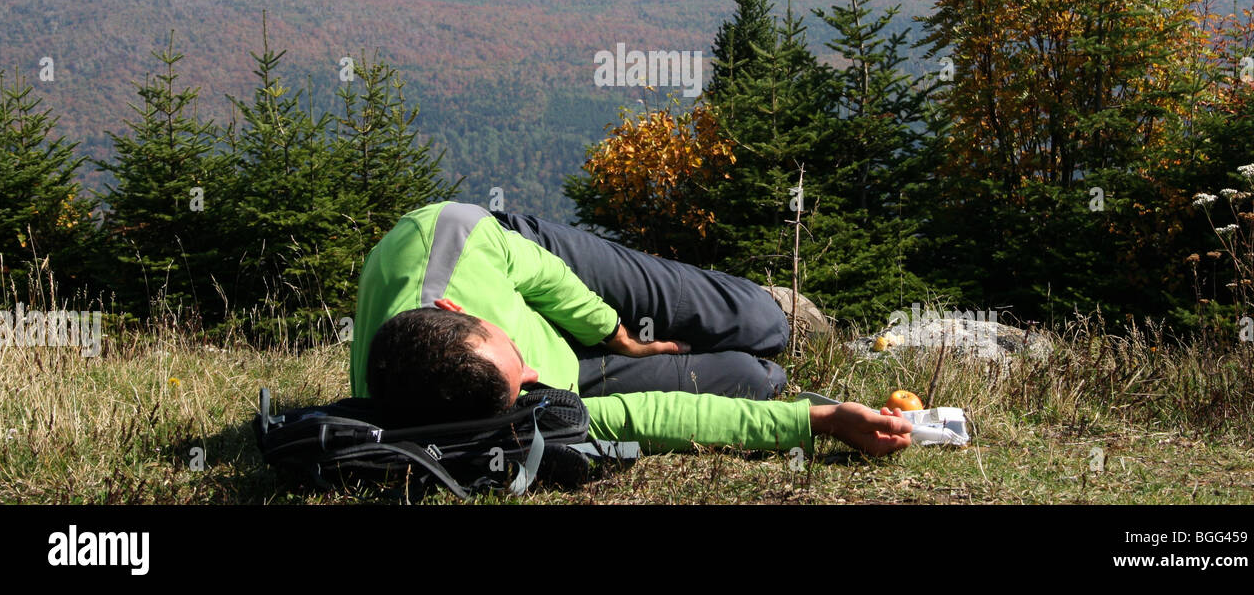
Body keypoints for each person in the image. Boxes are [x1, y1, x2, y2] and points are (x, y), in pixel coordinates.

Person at [351, 201, 912, 457]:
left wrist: (617, 337)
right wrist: (821, 420)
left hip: (538, 263)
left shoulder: (449, 235)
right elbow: (644, 418)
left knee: (766, 322)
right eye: (520, 386)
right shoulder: (455, 410)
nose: (533, 373)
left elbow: (547, 279)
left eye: (516, 354)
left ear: (455, 310)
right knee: (759, 378)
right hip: (560, 374)